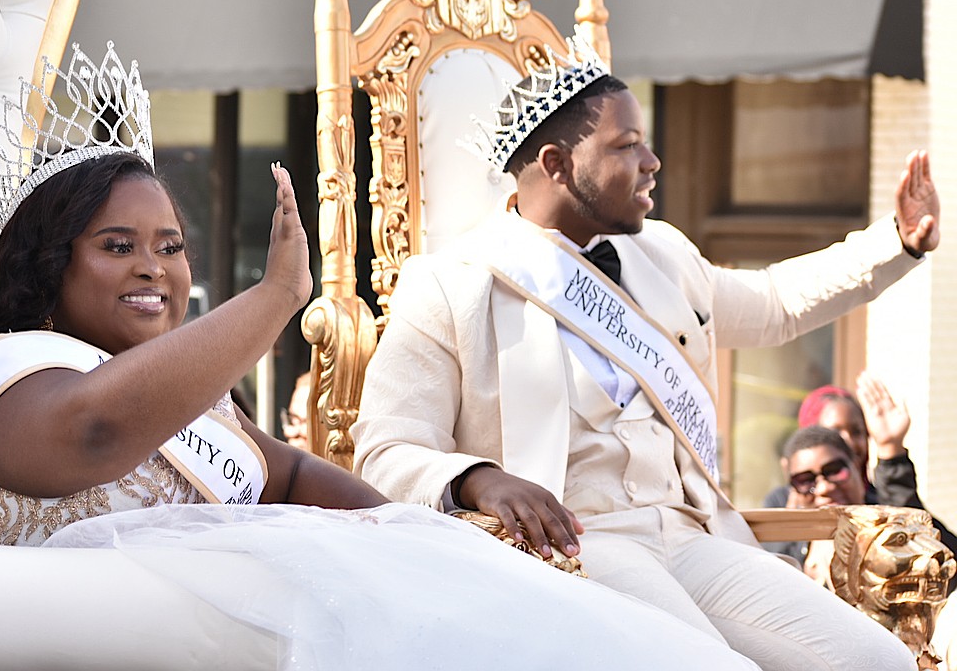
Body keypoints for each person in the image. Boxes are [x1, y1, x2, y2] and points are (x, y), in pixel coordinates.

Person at [0, 43, 762, 670]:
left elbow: (287, 479)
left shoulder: (196, 401)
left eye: (172, 245)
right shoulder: (1, 374)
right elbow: (91, 433)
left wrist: (416, 534)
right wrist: (270, 302)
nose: (155, 267)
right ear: (50, 263)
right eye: (119, 245)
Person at [353, 39, 934, 670]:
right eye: (626, 146)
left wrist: (895, 244)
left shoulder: (663, 254)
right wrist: (478, 480)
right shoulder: (450, 285)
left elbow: (773, 303)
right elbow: (383, 453)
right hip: (576, 546)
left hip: (692, 533)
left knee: (878, 662)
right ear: (556, 163)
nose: (653, 162)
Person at [763, 376, 957, 584]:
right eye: (805, 480)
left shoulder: (882, 501)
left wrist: (891, 451)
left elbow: (943, 562)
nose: (824, 487)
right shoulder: (781, 503)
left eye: (857, 431)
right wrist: (797, 529)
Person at [768, 426, 866, 584]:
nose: (824, 488)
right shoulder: (788, 557)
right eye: (805, 481)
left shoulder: (892, 525)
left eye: (834, 471)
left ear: (855, 466)